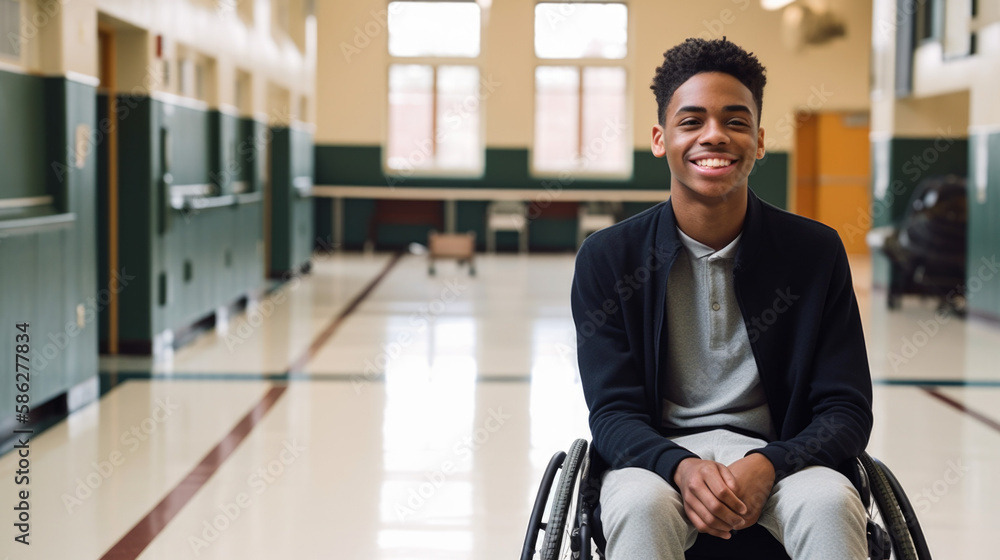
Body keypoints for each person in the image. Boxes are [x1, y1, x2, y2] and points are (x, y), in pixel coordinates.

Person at [570, 37, 873, 560]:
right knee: (639, 508)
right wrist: (678, 467)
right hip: (656, 460)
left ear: (758, 141)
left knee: (829, 504)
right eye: (692, 121)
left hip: (781, 458)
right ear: (661, 139)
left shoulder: (814, 253)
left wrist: (770, 463)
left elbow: (845, 408)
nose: (714, 135)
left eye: (735, 121)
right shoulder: (609, 258)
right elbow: (612, 412)